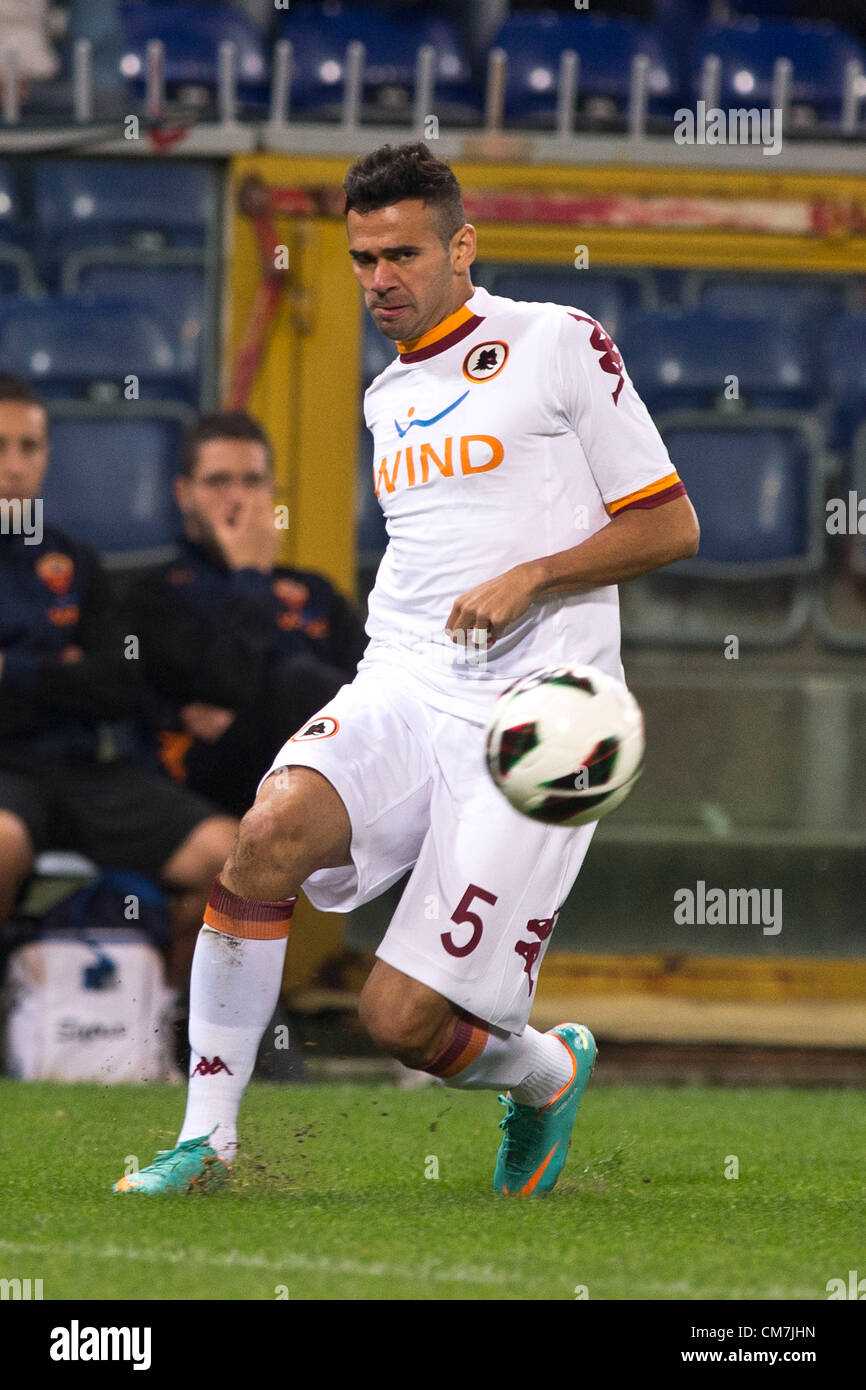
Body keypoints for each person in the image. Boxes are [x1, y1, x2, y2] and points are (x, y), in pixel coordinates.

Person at [115, 142, 699, 1198]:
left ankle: (546, 1072)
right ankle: (208, 1141)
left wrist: (531, 576)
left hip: (540, 725)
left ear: (460, 246)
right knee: (264, 832)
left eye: (401, 255)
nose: (379, 279)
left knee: (400, 1022)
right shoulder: (387, 395)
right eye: (360, 258)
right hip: (406, 679)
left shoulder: (557, 342)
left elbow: (669, 523)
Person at [0, 374, 237, 993]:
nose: (15, 465)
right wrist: (65, 669)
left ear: (47, 456)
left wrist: (17, 670)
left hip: (84, 769)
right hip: (4, 777)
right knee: (0, 841)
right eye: (0, 446)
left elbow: (118, 686)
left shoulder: (78, 564)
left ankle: (184, 1037)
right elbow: (89, 681)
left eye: (29, 447)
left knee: (227, 855)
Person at [121, 411, 366, 818]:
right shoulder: (155, 594)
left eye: (252, 481)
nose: (237, 498)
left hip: (331, 778)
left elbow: (368, 692)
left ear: (272, 490)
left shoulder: (315, 591)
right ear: (184, 494)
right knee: (300, 680)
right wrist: (250, 573)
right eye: (218, 481)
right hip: (210, 788)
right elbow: (227, 686)